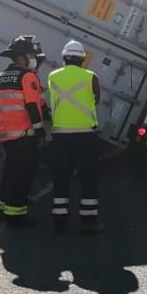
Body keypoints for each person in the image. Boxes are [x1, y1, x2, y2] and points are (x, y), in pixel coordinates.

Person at [47, 40, 103, 234]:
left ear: (64, 58)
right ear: (82, 59)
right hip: (85, 136)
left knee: (61, 179)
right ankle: (89, 221)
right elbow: (97, 99)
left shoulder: (52, 76)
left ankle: (59, 221)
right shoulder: (91, 77)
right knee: (88, 179)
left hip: (60, 136)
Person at [0, 35, 47, 228]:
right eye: (32, 54)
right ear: (23, 56)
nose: (34, 57)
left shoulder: (1, 77)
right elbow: (32, 105)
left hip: (7, 134)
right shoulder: (28, 77)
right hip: (25, 134)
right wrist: (40, 131)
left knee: (10, 173)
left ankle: (4, 208)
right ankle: (16, 216)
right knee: (22, 176)